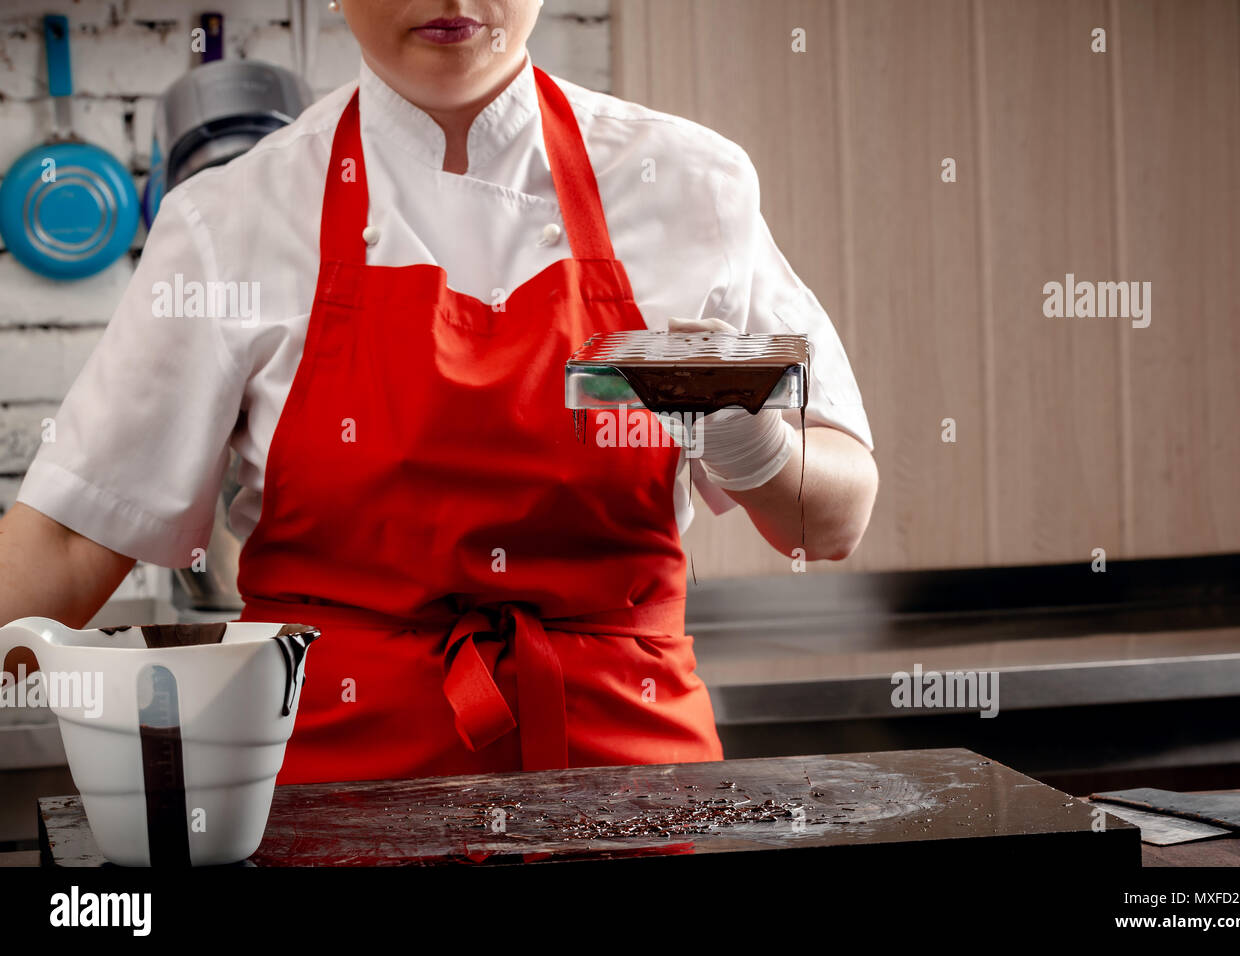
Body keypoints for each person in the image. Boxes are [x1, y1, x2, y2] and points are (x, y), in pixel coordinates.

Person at [0, 0, 878, 784]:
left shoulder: (691, 184)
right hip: (332, 800)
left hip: (632, 790)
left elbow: (831, 519)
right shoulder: (232, 219)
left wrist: (757, 445)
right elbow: (74, 546)